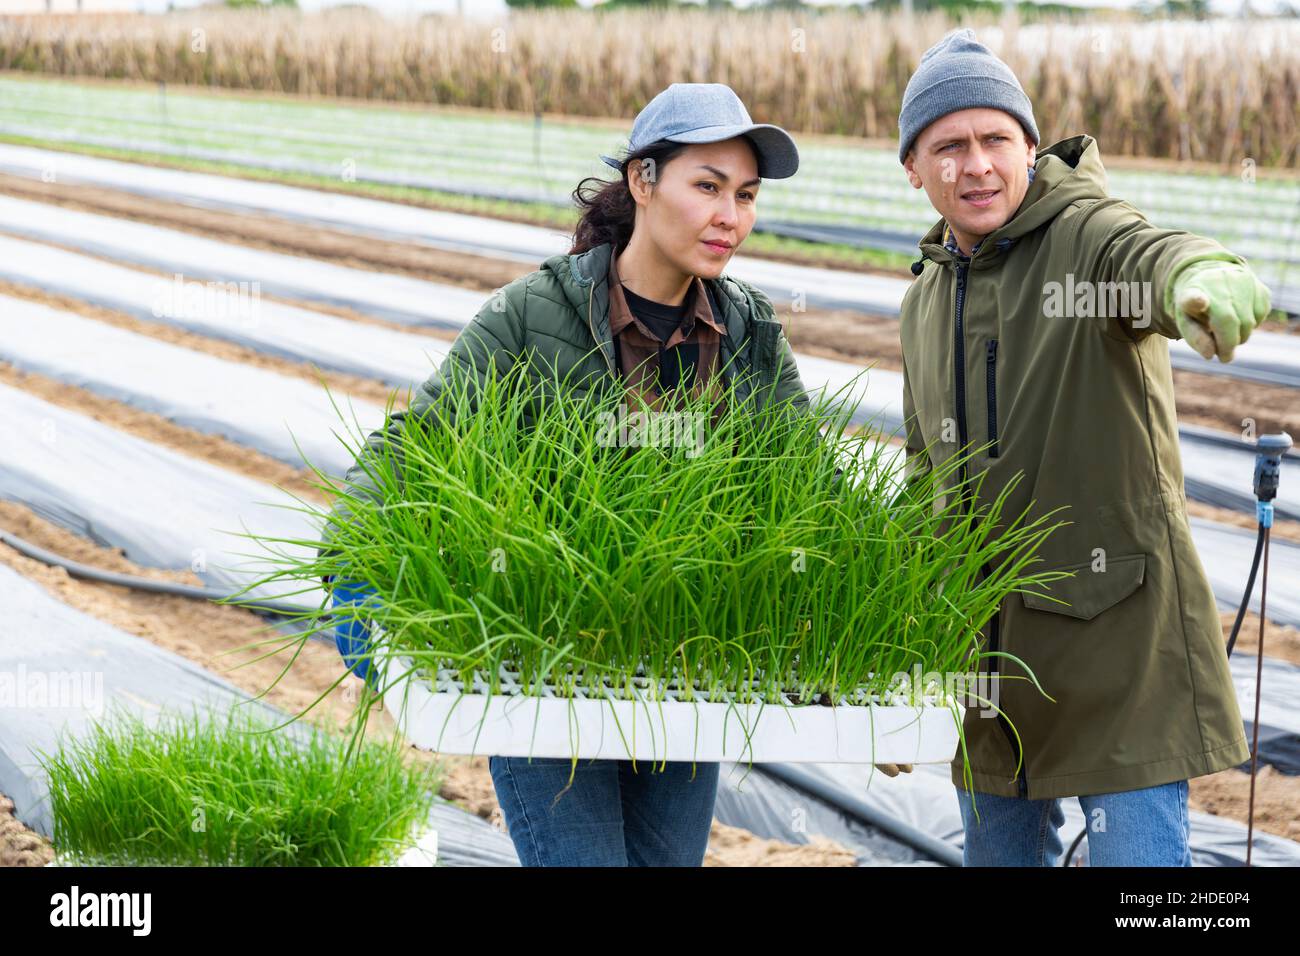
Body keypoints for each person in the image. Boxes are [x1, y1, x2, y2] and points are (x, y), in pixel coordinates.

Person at [326, 82, 869, 867]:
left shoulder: (747, 329)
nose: (731, 217)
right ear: (644, 182)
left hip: (685, 660)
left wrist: (880, 671)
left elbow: (811, 488)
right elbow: (414, 450)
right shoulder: (530, 315)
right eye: (708, 187)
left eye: (746, 195)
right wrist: (353, 585)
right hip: (543, 665)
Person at [895, 29, 1271, 867]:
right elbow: (925, 483)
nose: (977, 165)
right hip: (989, 670)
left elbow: (1149, 253)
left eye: (996, 138)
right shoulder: (920, 304)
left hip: (1119, 644)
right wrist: (898, 667)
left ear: (1030, 147)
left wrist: (1199, 277)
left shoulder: (1086, 237)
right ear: (913, 168)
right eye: (948, 146)